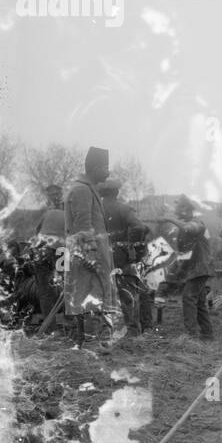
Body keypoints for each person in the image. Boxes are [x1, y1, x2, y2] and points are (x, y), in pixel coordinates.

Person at [63, 147, 124, 349]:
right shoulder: (82, 190)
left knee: (89, 296)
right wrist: (90, 255)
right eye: (105, 167)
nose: (107, 172)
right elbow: (83, 225)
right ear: (96, 167)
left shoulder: (86, 189)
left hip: (92, 254)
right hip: (90, 256)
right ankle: (91, 345)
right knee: (92, 296)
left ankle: (89, 342)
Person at [99, 178, 151, 334]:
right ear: (116, 192)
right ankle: (134, 330)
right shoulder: (123, 209)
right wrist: (130, 244)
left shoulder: (96, 211)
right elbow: (139, 227)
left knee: (106, 293)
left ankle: (107, 330)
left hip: (101, 255)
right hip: (120, 255)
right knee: (130, 291)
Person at [170, 194, 213, 342]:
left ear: (186, 209)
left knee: (188, 297)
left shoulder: (197, 223)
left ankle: (191, 336)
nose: (175, 210)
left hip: (200, 268)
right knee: (199, 301)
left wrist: (169, 220)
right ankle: (207, 334)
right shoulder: (182, 228)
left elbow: (190, 229)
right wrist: (177, 268)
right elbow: (184, 252)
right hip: (195, 269)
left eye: (178, 207)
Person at [29, 184, 66, 324]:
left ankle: (51, 327)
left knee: (46, 290)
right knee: (67, 285)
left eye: (56, 194)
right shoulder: (53, 211)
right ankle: (65, 321)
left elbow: (37, 232)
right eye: (52, 194)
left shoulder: (49, 212)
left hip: (43, 250)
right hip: (60, 250)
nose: (54, 197)